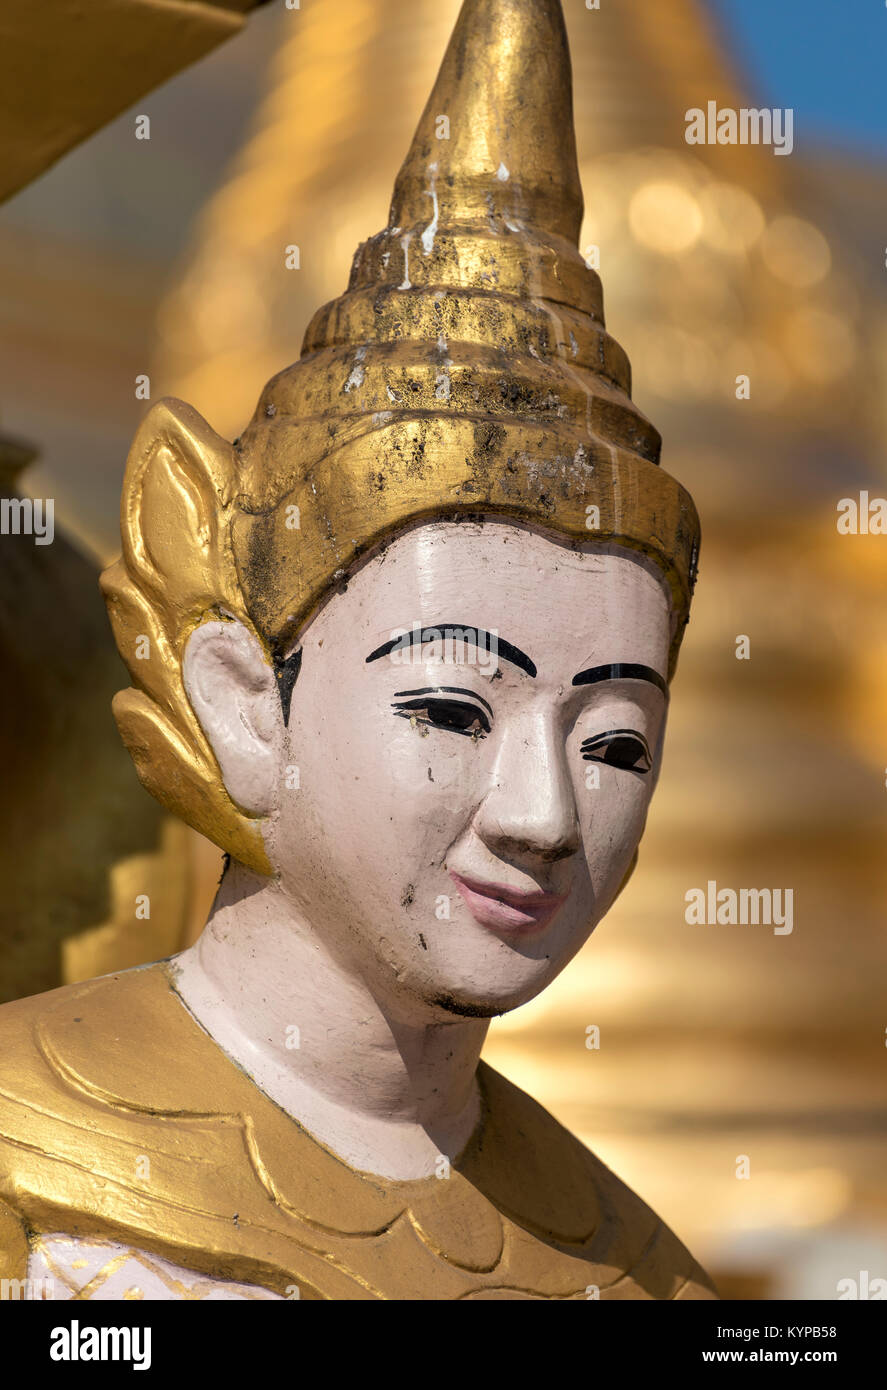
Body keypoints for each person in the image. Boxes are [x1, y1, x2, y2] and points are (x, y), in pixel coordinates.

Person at [0, 0, 714, 1300]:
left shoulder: (640, 1276)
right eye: (451, 711)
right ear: (242, 706)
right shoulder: (28, 1175)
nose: (547, 817)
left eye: (617, 742)